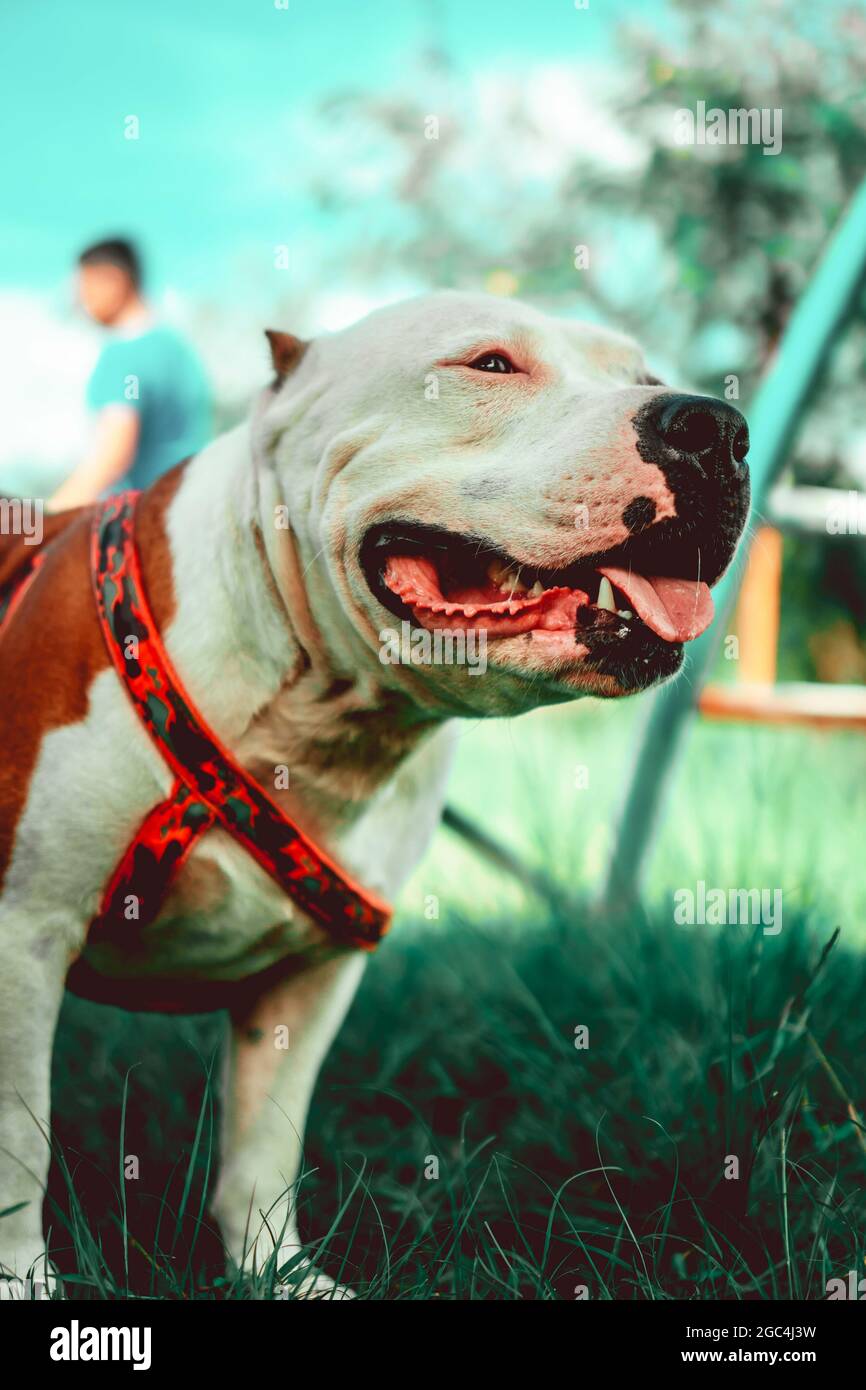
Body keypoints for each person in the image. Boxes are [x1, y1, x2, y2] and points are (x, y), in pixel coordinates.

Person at [50, 238, 212, 510]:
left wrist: (44, 522)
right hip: (192, 513)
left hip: (142, 527)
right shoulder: (178, 350)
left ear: (114, 280)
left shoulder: (123, 356)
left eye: (85, 288)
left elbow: (113, 454)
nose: (80, 302)